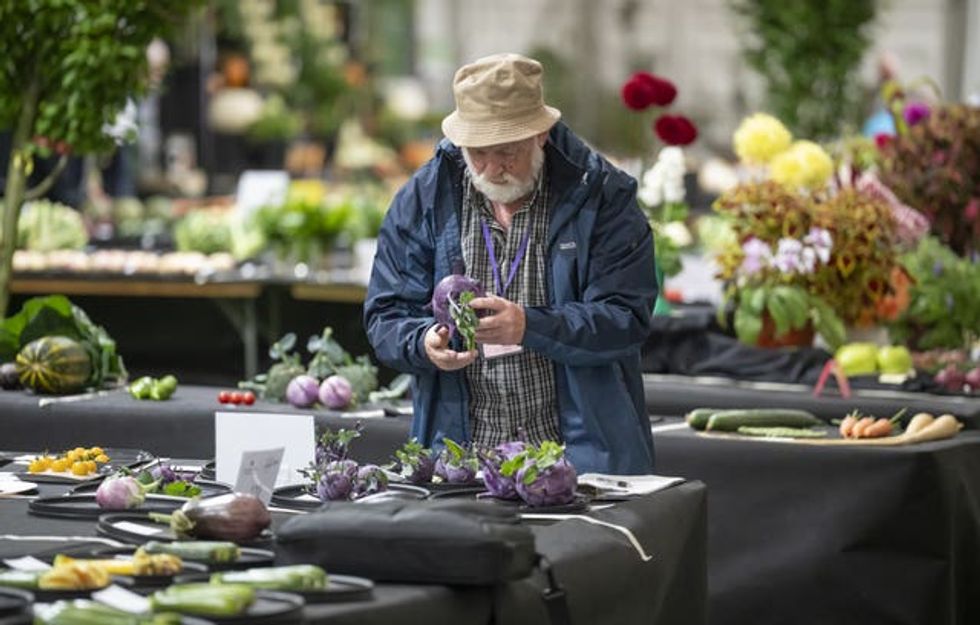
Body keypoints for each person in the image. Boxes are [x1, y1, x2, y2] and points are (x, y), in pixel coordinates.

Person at [364, 53, 658, 474]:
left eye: (506, 152)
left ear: (540, 135)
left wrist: (529, 326)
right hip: (460, 461)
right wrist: (424, 342)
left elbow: (625, 318)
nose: (490, 169)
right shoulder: (425, 197)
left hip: (578, 462)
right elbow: (385, 316)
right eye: (477, 153)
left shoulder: (603, 196)